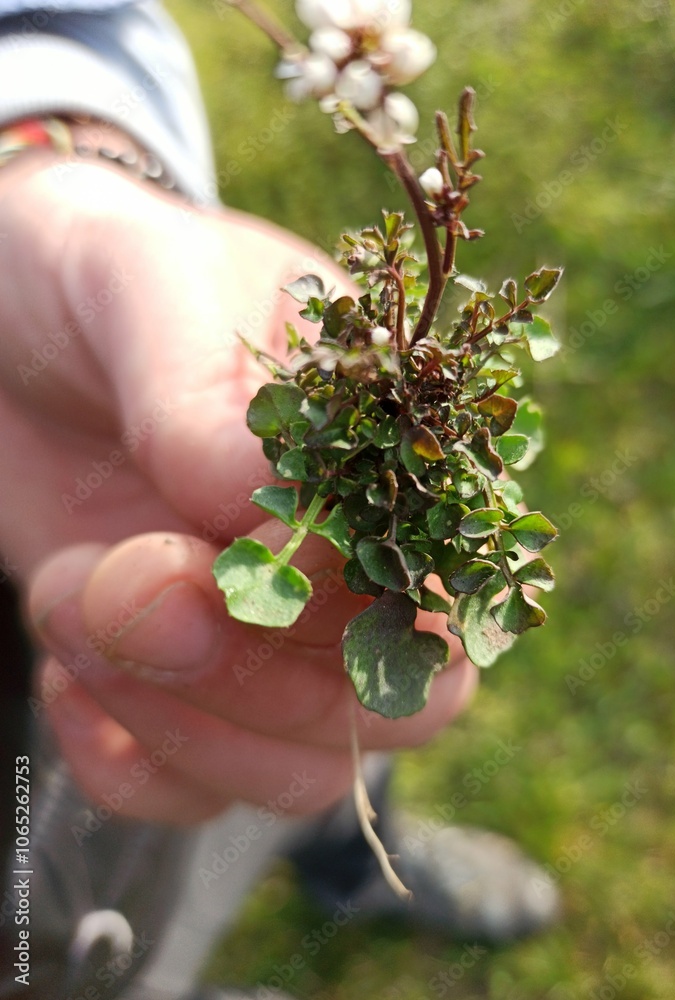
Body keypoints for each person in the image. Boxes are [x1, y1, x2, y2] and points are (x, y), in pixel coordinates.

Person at [0, 2, 559, 998]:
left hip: (91, 365)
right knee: (64, 886)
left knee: (303, 670)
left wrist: (42, 162)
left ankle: (350, 850)